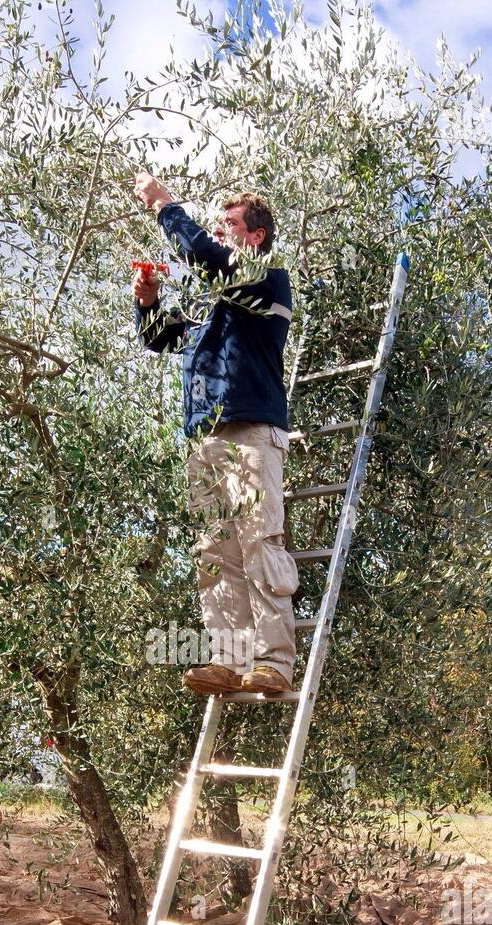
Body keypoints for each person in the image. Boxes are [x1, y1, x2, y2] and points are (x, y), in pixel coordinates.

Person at [132, 170, 299, 697]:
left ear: (255, 235)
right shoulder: (217, 305)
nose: (221, 232)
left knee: (259, 543)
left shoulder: (265, 276)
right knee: (215, 549)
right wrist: (148, 302)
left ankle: (273, 661)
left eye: (229, 225)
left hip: (252, 432)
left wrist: (165, 207)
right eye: (219, 225)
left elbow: (209, 258)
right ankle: (229, 659)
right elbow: (162, 340)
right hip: (206, 438)